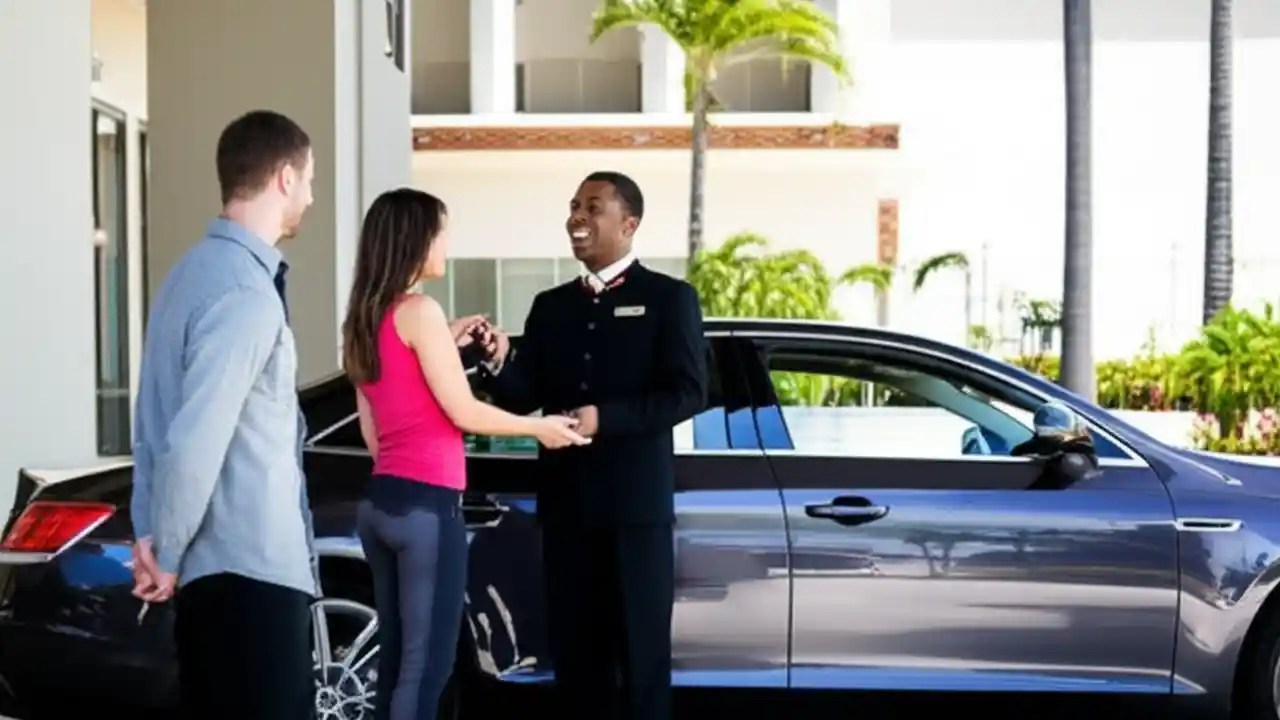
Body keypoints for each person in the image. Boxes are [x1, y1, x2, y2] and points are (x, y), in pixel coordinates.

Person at [340, 187, 591, 720]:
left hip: (380, 504)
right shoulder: (420, 311)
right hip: (427, 511)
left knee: (396, 666)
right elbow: (464, 412)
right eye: (442, 232)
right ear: (415, 240)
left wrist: (443, 343)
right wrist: (538, 427)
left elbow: (374, 433)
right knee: (426, 670)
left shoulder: (363, 321)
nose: (447, 243)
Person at [475, 171, 709, 719]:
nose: (577, 217)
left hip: (635, 515)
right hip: (567, 512)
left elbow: (688, 392)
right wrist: (497, 360)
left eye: (593, 207)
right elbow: (522, 396)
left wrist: (606, 418)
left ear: (629, 224)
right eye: (574, 206)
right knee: (578, 664)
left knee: (641, 662)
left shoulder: (669, 299)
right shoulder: (551, 306)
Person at [127, 110, 320, 719]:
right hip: (250, 574)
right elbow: (195, 440)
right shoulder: (245, 292)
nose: (311, 196)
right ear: (284, 177)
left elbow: (152, 426)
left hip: (212, 580)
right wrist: (168, 554)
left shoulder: (185, 277)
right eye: (309, 179)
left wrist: (153, 538)